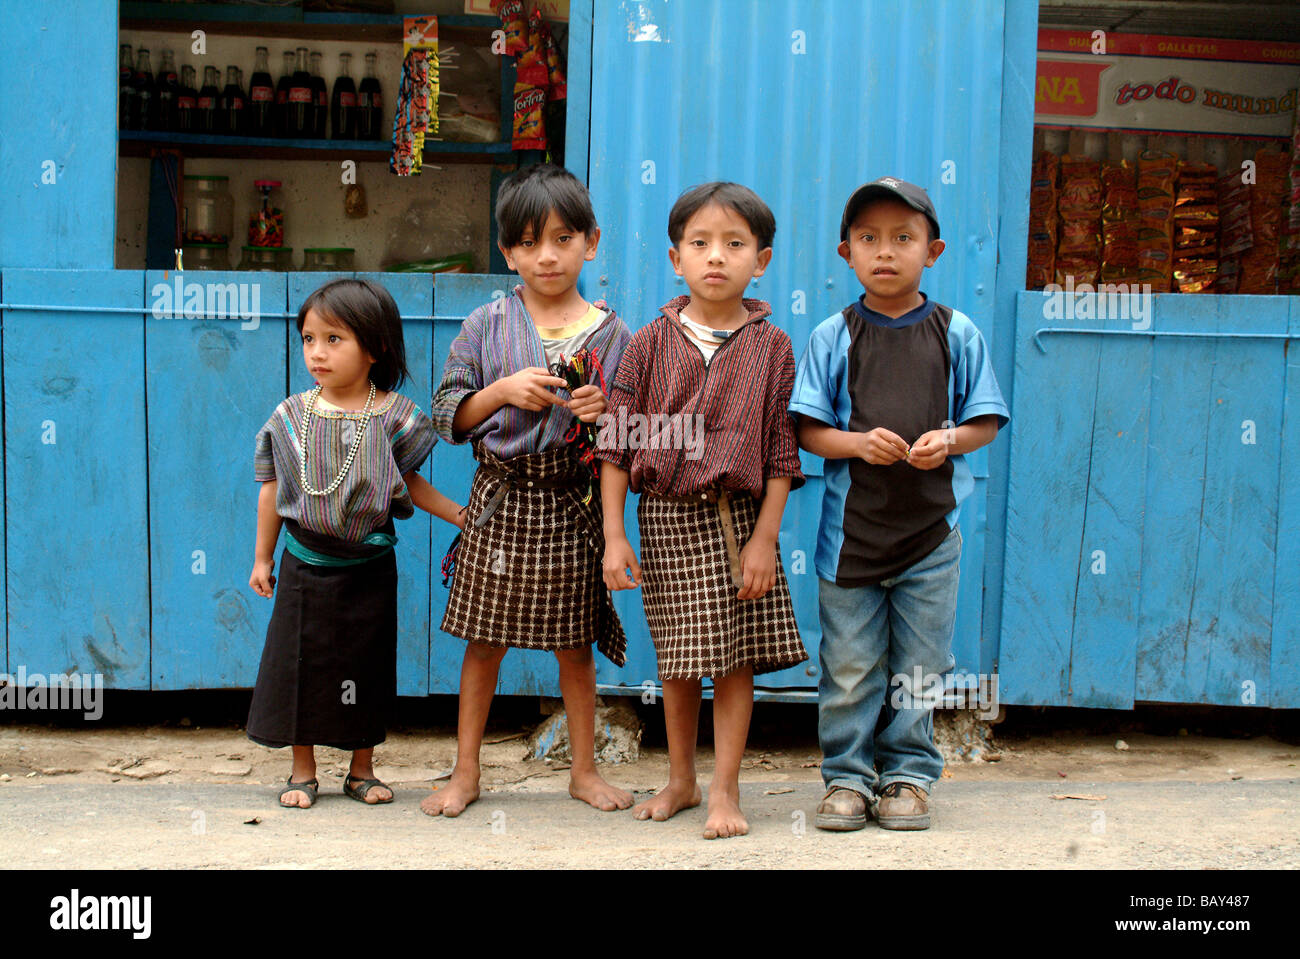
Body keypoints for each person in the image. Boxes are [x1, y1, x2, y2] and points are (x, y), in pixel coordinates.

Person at [789, 176, 1009, 831]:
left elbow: (986, 419)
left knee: (919, 665)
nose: (885, 251)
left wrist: (948, 440)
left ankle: (909, 776)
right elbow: (807, 429)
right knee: (851, 665)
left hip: (931, 536)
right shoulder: (834, 334)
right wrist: (857, 443)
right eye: (868, 238)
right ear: (845, 253)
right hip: (849, 538)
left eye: (903, 238)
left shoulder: (956, 331)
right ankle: (848, 779)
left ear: (933, 251)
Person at [424, 163, 633, 818]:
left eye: (564, 238)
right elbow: (446, 416)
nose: (547, 254)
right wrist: (501, 391)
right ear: (508, 250)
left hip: (574, 505)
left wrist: (605, 415)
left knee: (575, 643)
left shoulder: (614, 335)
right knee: (484, 640)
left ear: (590, 243)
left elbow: (625, 441)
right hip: (502, 499)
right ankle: (465, 772)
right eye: (530, 241)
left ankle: (583, 770)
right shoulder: (486, 324)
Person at [599, 182, 807, 840]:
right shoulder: (648, 344)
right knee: (680, 657)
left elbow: (781, 451)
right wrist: (613, 535)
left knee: (734, 658)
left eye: (734, 244)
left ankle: (725, 787)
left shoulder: (772, 347)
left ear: (762, 260)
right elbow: (616, 444)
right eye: (700, 243)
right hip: (664, 516)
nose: (716, 256)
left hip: (741, 517)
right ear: (675, 258)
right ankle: (683, 777)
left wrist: (765, 540)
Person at [248, 278, 463, 809]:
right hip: (304, 562)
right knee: (301, 663)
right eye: (308, 339)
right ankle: (303, 770)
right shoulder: (290, 416)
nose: (316, 353)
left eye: (334, 339)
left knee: (362, 666)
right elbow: (271, 488)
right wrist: (262, 557)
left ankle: (361, 770)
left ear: (375, 347)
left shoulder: (395, 416)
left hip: (369, 564)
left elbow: (408, 483)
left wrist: (461, 515)